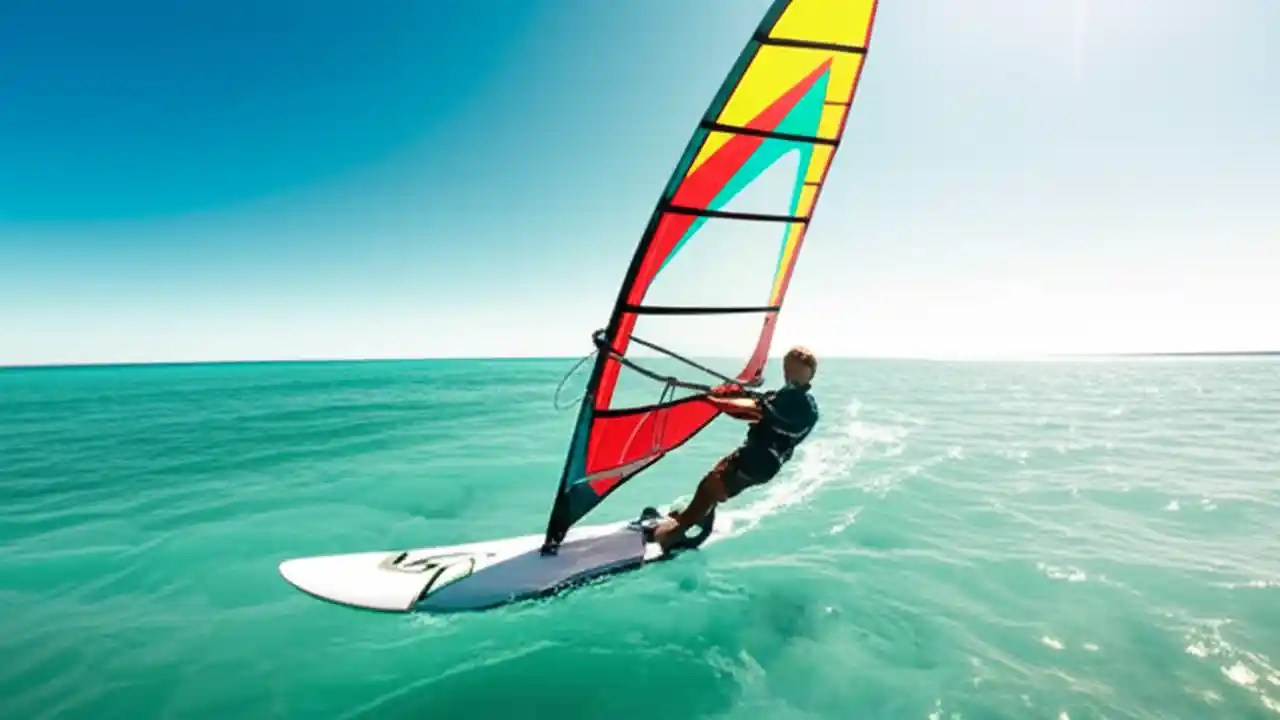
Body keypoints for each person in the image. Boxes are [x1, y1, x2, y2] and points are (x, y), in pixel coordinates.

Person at [651, 345, 820, 550]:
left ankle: (673, 535)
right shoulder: (782, 396)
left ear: (809, 376)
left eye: (796, 374)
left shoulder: (805, 407)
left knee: (712, 487)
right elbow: (756, 400)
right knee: (712, 480)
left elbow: (760, 411)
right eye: (788, 370)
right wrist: (728, 393)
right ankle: (698, 520)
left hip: (761, 462)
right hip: (752, 452)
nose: (790, 376)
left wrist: (714, 401)